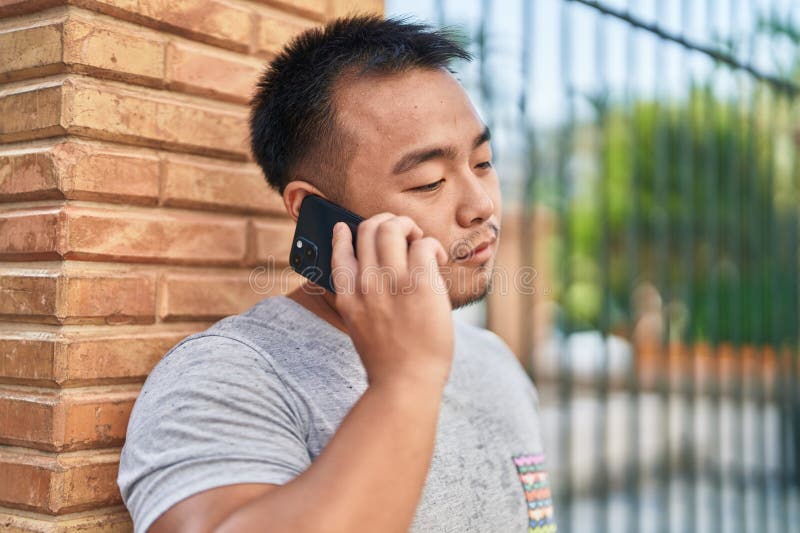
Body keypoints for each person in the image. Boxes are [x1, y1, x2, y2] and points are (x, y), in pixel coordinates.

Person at [117, 14, 555, 533]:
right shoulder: (228, 378)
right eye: (429, 182)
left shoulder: (495, 362)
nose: (482, 204)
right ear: (315, 213)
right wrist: (405, 381)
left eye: (483, 163)